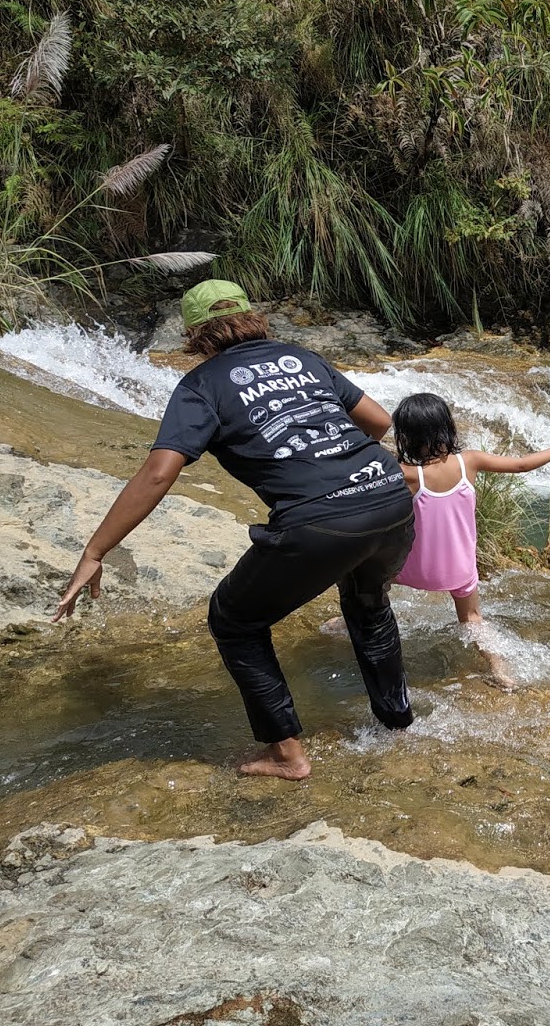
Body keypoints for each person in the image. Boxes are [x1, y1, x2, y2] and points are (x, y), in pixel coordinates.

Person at [52, 279, 416, 781]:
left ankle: (288, 755)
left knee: (233, 619)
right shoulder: (300, 357)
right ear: (251, 316)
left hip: (320, 519)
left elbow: (158, 473)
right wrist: (335, 454)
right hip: (390, 496)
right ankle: (397, 723)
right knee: (367, 602)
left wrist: (95, 550)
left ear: (194, 333)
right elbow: (378, 421)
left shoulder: (201, 385)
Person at [326, 392, 550, 691]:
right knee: (472, 618)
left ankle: (346, 622)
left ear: (405, 437)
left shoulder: (406, 473)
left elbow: (359, 466)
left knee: (371, 581)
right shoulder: (469, 462)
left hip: (414, 569)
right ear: (448, 427)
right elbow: (522, 466)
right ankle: (499, 670)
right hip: (459, 570)